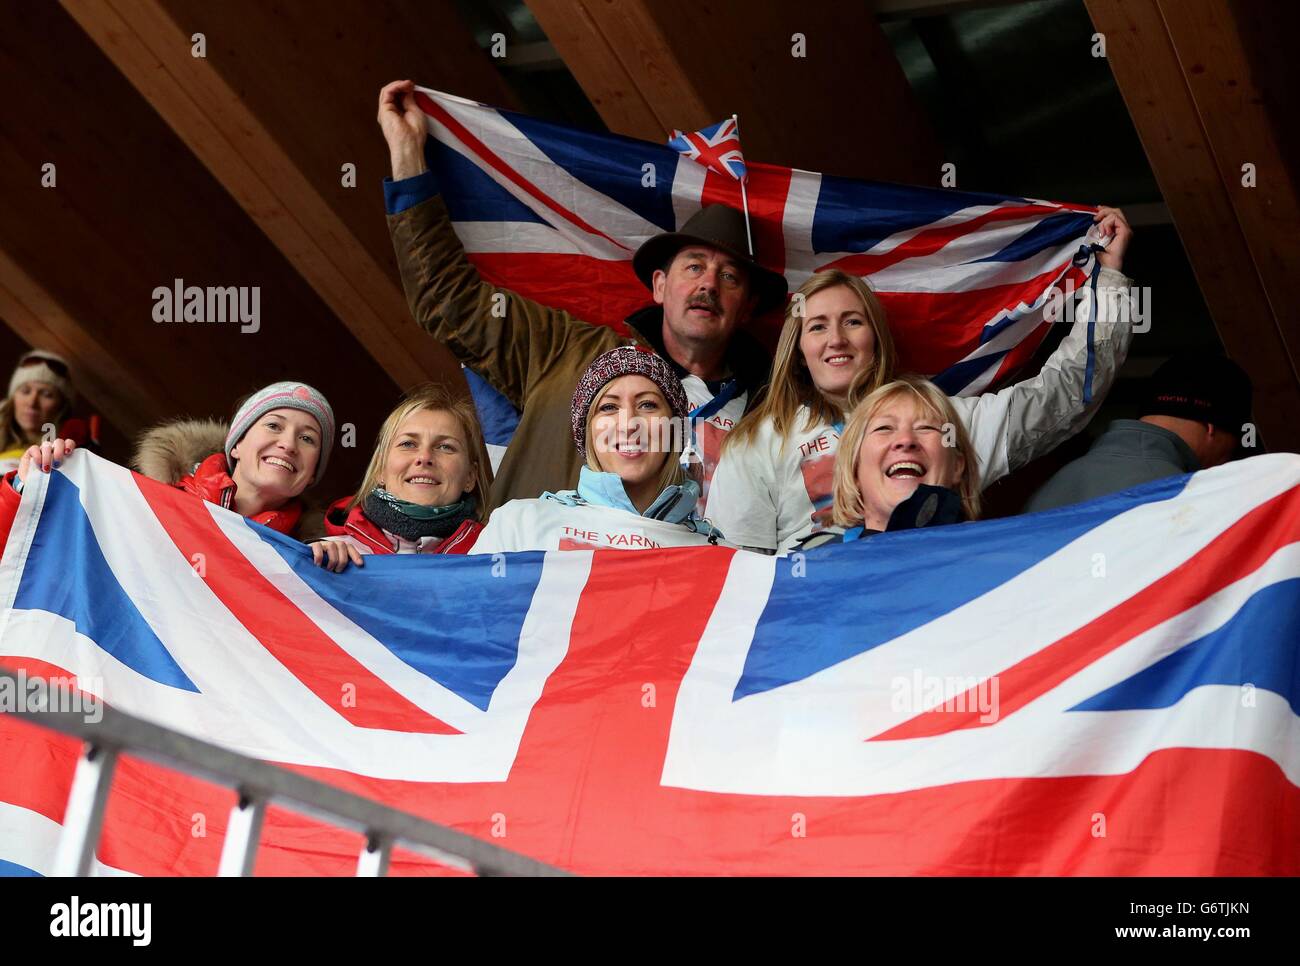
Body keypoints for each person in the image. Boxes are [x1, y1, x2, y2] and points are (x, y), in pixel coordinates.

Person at [376, 79, 786, 512]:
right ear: (660, 285)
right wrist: (408, 157)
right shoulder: (566, 352)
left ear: (749, 309)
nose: (708, 284)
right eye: (695, 267)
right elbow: (446, 300)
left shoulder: (777, 411)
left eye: (730, 277)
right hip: (540, 575)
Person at [707, 211, 1135, 552]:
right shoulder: (758, 442)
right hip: (815, 626)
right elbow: (736, 573)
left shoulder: (940, 423)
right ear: (797, 350)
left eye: (852, 322)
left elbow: (1064, 395)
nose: (836, 338)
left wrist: (1110, 280)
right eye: (817, 327)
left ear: (875, 337)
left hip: (930, 608)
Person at [470, 346, 721, 553]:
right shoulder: (520, 524)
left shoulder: (718, 553)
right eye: (609, 408)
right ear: (588, 433)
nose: (628, 425)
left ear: (674, 431)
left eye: (647, 404)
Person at [1024, 353, 1254, 512]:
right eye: (1229, 452)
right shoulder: (1183, 498)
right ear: (1211, 428)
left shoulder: (1050, 487)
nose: (1223, 464)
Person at [309, 384, 492, 570]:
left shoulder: (497, 552)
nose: (424, 457)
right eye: (408, 443)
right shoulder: (327, 553)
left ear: (470, 477)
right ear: (380, 469)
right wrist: (309, 563)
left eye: (445, 447)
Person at [131, 381, 334, 537]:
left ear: (313, 474)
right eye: (274, 426)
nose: (289, 445)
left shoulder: (313, 561)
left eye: (307, 438)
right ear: (237, 444)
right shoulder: (147, 498)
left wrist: (330, 566)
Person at [799, 375, 981, 549]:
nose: (905, 440)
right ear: (854, 470)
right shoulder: (818, 573)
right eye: (884, 428)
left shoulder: (1000, 560)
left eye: (926, 427)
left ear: (957, 466)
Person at [0, 350, 78, 474]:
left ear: (62, 406)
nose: (32, 403)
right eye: (25, 391)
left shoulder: (69, 457)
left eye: (46, 395)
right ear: (13, 398)